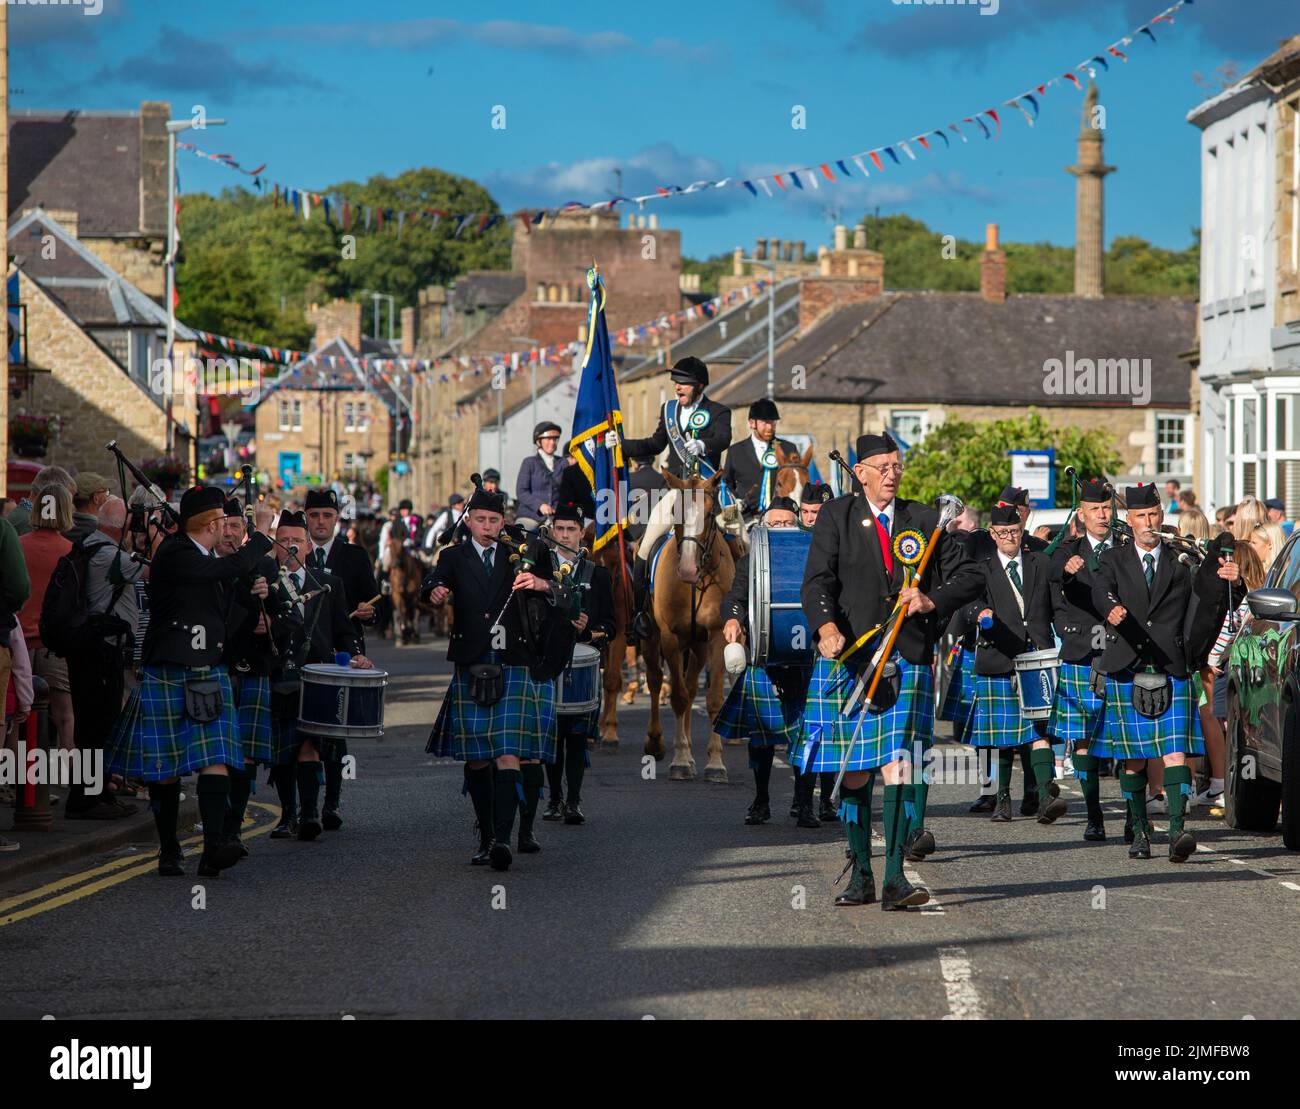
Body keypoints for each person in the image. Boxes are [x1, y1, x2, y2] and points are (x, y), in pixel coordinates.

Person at [797, 431, 981, 909]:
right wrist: (824, 627)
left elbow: (970, 576)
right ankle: (861, 874)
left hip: (906, 656)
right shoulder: (837, 516)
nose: (892, 475)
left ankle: (896, 875)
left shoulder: (924, 519)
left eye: (897, 466)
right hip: (853, 657)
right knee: (854, 770)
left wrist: (930, 598)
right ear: (860, 473)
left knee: (899, 763)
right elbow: (817, 580)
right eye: (883, 467)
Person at [106, 485, 275, 876]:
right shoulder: (176, 554)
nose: (227, 530)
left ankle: (214, 845)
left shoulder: (211, 561)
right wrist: (261, 535)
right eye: (223, 522)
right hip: (168, 669)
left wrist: (254, 595)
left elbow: (230, 610)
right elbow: (225, 569)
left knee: (215, 758)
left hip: (208, 670)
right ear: (213, 523)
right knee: (165, 767)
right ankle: (169, 849)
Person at [1091, 483, 1238, 862]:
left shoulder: (1181, 560)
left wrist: (1230, 580)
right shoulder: (1113, 559)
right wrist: (1110, 608)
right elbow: (1099, 590)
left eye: (1153, 515)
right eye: (1140, 516)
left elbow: (1210, 601)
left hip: (1171, 663)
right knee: (1134, 758)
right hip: (1127, 664)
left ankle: (1176, 830)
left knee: (1174, 751)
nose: (1148, 522)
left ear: (1161, 516)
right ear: (1129, 520)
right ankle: (1139, 828)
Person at [422, 486, 559, 872]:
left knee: (508, 753)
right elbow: (429, 583)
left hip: (513, 661)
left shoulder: (522, 552)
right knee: (478, 758)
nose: (487, 527)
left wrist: (541, 584)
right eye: (480, 520)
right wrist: (435, 591)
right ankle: (485, 837)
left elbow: (559, 589)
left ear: (504, 522)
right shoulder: (453, 556)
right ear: (468, 521)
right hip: (470, 662)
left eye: (494, 521)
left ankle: (503, 837)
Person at [265, 510, 372, 842]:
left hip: (319, 674)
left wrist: (355, 652)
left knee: (312, 744)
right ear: (275, 547)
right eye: (283, 541)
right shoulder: (265, 585)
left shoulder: (328, 583)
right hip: (280, 673)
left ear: (308, 546)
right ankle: (287, 815)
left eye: (297, 540)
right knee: (283, 753)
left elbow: (343, 628)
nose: (291, 546)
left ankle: (311, 813)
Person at [955, 501, 1064, 824]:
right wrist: (980, 613)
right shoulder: (982, 568)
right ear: (992, 533)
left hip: (1037, 657)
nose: (1009, 538)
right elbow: (966, 603)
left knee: (1039, 731)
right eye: (1002, 533)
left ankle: (1045, 796)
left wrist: (1070, 637)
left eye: (1014, 532)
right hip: (997, 656)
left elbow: (1057, 606)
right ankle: (1002, 799)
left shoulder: (1039, 563)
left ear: (1022, 531)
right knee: (999, 737)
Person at [716, 497, 820, 827]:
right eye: (772, 523)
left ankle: (804, 803)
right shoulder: (751, 561)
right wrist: (734, 620)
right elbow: (735, 597)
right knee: (761, 738)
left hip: (805, 660)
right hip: (765, 658)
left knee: (809, 734)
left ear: (797, 525)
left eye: (786, 523)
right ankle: (761, 800)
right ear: (762, 526)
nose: (779, 529)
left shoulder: (814, 557)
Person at [622, 356, 732, 639]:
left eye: (682, 384)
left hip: (709, 493)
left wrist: (705, 444)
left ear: (699, 386)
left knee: (741, 540)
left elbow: (724, 438)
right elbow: (655, 443)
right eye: (676, 384)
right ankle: (640, 615)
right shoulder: (668, 409)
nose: (677, 388)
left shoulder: (719, 411)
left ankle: (739, 613)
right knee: (644, 548)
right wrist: (620, 445)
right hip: (676, 493)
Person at [1046, 479, 1114, 840]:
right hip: (1082, 654)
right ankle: (1094, 813)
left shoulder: (1125, 547)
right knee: (1084, 740)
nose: (1102, 515)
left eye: (1106, 508)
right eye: (1095, 510)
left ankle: (1136, 817)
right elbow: (1047, 568)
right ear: (1082, 515)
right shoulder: (1068, 550)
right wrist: (1065, 568)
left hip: (1123, 654)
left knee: (1129, 740)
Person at [541, 501, 615, 826]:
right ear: (552, 531)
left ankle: (573, 801)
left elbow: (612, 624)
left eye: (571, 529)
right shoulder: (540, 573)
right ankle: (555, 796)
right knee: (552, 733)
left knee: (575, 735)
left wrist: (593, 628)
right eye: (560, 529)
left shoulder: (597, 574)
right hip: (548, 660)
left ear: (582, 532)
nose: (566, 535)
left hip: (584, 660)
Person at [19, 485, 79, 810]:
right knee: (64, 717)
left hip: (20, 646)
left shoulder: (18, 545)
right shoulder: (70, 550)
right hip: (55, 646)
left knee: (18, 719)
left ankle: (20, 786)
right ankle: (65, 780)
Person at [1199, 541, 1267, 809]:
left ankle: (1228, 782)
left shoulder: (1237, 597)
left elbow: (1228, 629)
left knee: (1222, 720)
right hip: (1252, 662)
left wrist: (1212, 658)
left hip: (1230, 663)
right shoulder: (1257, 593)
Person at [720, 399, 798, 522]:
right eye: (765, 422)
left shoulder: (788, 449)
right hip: (746, 519)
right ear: (752, 423)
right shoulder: (736, 451)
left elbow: (796, 484)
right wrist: (735, 501)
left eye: (772, 422)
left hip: (779, 519)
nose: (770, 427)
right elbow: (726, 484)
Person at [515, 421, 567, 531]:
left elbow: (568, 491)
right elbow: (521, 491)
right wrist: (540, 505)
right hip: (530, 515)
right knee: (522, 535)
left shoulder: (563, 463)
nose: (552, 442)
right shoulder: (529, 463)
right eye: (548, 439)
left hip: (556, 517)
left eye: (555, 439)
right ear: (539, 442)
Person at [67, 472, 111, 544]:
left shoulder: (63, 527)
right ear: (95, 498)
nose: (107, 497)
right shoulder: (101, 531)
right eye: (106, 493)